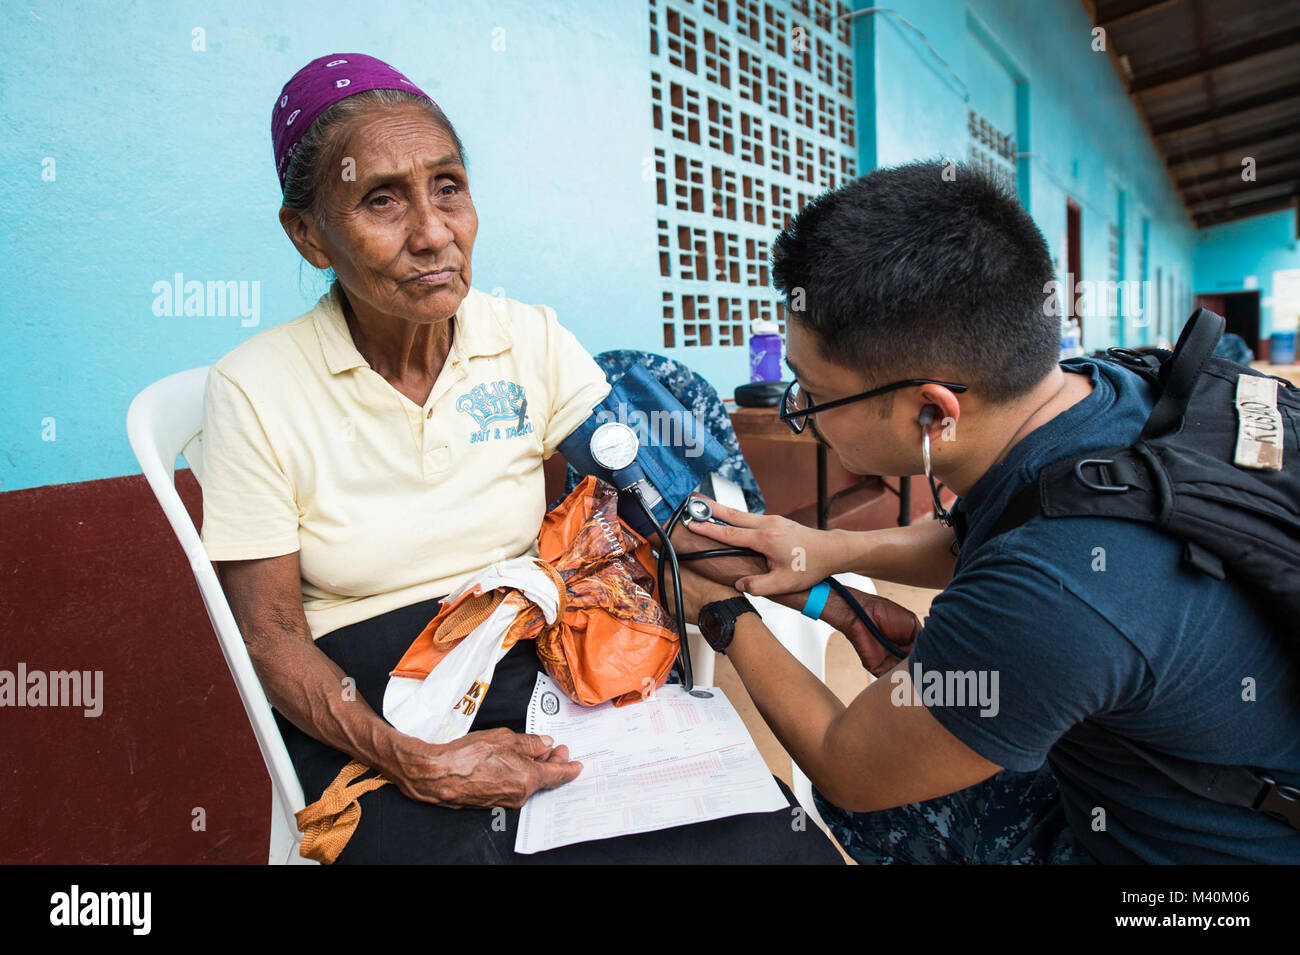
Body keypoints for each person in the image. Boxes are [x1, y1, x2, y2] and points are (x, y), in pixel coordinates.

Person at [200, 52, 840, 864]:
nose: (433, 233)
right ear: (309, 235)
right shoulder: (254, 388)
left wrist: (839, 606)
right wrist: (414, 761)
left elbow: (664, 504)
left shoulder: (525, 337)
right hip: (374, 703)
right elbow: (271, 635)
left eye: (449, 187)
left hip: (540, 657)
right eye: (381, 200)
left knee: (767, 846)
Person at [671, 160, 1300, 864]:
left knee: (874, 802)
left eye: (812, 393)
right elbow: (983, 529)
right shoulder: (1115, 386)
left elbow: (847, 763)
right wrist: (823, 551)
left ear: (933, 410)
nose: (802, 412)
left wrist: (720, 612)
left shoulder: (1056, 594)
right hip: (1176, 770)